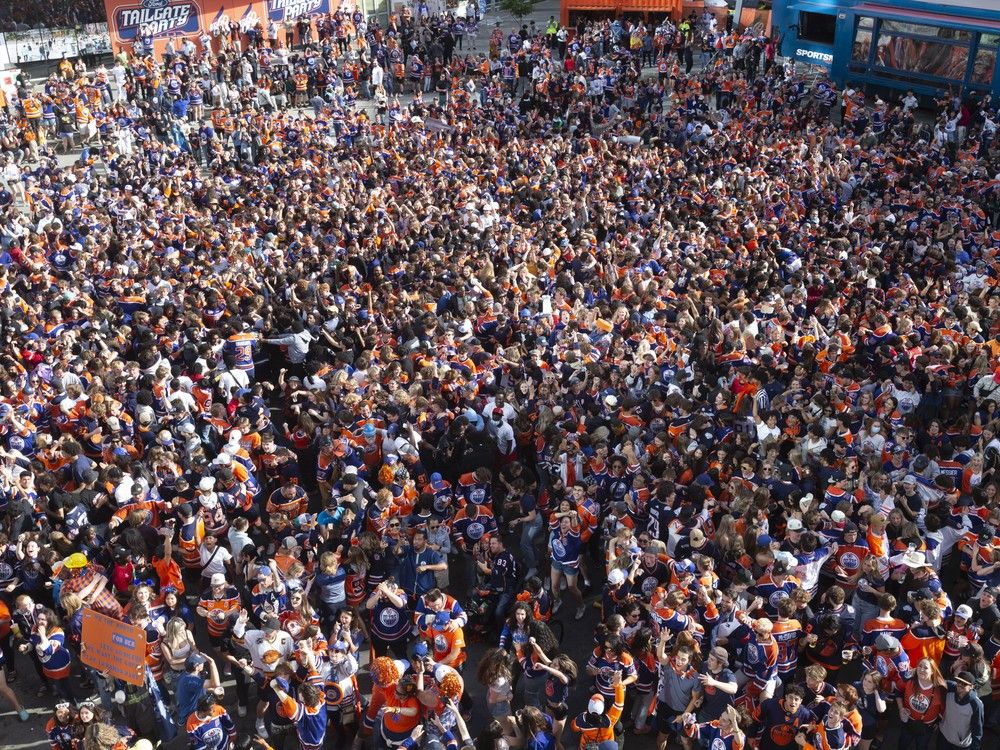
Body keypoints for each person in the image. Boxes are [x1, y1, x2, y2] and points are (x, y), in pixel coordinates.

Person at [937, 671, 984, 750]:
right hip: (943, 737)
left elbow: (977, 729)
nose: (960, 685)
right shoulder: (950, 688)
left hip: (960, 745)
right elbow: (936, 679)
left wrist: (975, 747)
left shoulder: (976, 705)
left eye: (964, 683)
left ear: (971, 686)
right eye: (959, 681)